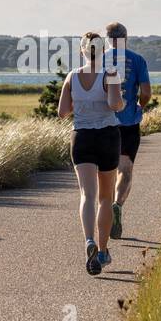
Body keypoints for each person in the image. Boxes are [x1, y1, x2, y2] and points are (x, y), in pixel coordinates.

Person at [57, 32, 124, 275]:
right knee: (105, 198)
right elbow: (115, 105)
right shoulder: (111, 74)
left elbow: (63, 112)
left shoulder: (72, 76)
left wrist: (81, 102)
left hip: (81, 137)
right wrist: (122, 101)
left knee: (86, 194)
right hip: (106, 136)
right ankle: (103, 250)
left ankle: (88, 240)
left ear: (82, 51)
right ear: (103, 51)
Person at [103, 22, 151, 241]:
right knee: (126, 168)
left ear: (106, 38)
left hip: (103, 123)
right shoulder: (138, 60)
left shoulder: (98, 59)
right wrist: (140, 105)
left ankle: (104, 210)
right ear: (126, 37)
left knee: (105, 171)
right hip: (129, 121)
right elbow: (146, 92)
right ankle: (117, 204)